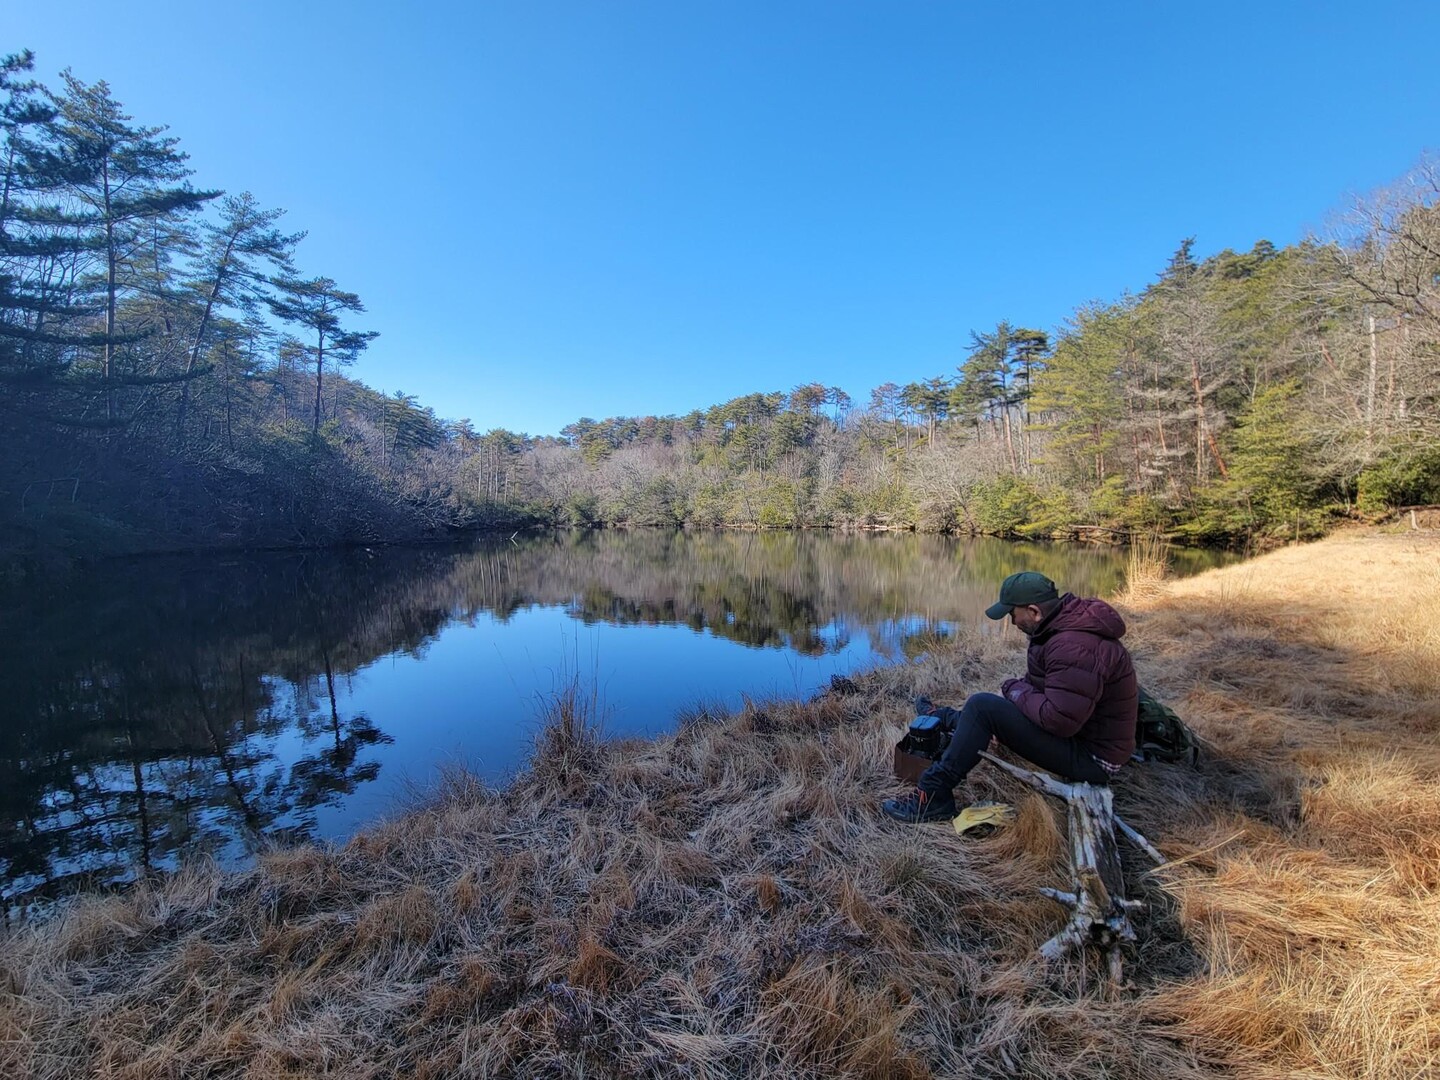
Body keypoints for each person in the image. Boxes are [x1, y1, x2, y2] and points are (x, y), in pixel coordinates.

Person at [882, 571, 1138, 823]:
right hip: (1082, 738)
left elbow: (1060, 721)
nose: (1013, 622)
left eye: (1012, 614)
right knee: (985, 713)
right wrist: (1014, 702)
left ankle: (934, 795)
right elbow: (1047, 691)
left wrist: (1014, 689)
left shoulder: (1074, 646)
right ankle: (943, 717)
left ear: (1034, 611)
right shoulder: (1059, 629)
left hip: (1092, 759)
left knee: (982, 706)